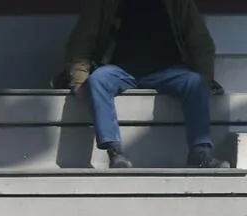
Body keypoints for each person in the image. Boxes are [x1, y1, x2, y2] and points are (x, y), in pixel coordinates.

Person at [58, 0, 229, 169]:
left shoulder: (178, 3)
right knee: (97, 80)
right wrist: (79, 78)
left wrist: (206, 78)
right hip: (120, 69)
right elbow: (82, 39)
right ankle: (114, 152)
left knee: (195, 82)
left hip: (169, 70)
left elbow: (199, 39)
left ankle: (200, 152)